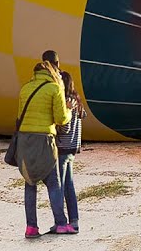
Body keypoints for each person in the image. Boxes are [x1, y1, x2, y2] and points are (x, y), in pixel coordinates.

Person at [16, 60, 74, 238]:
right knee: (53, 183)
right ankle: (61, 223)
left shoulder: (25, 88)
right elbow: (61, 118)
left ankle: (31, 228)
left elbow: (19, 117)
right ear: (51, 72)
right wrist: (70, 110)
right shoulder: (54, 88)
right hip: (44, 140)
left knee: (30, 183)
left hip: (25, 141)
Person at [56, 70, 87, 233]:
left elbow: (65, 127)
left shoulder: (65, 102)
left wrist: (56, 124)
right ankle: (74, 221)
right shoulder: (77, 100)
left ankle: (61, 222)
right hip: (73, 149)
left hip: (63, 148)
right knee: (69, 185)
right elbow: (84, 116)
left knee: (59, 186)